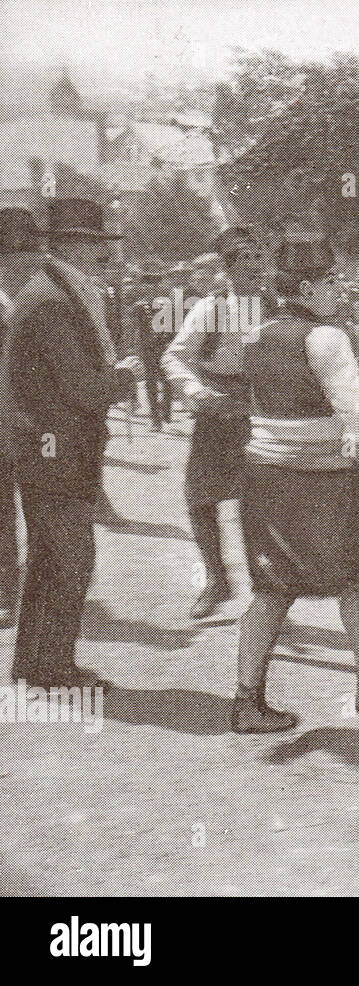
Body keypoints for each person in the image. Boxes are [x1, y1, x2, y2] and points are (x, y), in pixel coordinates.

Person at [231, 237, 359, 733]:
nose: (341, 291)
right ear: (308, 288)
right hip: (321, 483)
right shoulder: (328, 338)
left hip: (265, 478)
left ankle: (247, 701)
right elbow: (354, 410)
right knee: (355, 584)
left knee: (271, 590)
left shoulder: (254, 333)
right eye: (331, 282)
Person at [0, 198, 144, 689]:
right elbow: (84, 389)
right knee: (69, 563)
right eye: (93, 246)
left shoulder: (53, 291)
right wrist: (124, 377)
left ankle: (35, 666)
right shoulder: (54, 302)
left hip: (50, 446)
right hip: (54, 449)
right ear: (70, 247)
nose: (99, 256)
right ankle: (53, 667)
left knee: (48, 561)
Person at [162, 227, 270, 620]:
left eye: (260, 258)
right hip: (218, 413)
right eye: (246, 260)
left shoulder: (279, 305)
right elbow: (175, 357)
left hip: (265, 414)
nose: (256, 268)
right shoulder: (212, 309)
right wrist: (195, 391)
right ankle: (217, 580)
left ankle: (266, 592)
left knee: (258, 504)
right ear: (229, 268)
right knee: (201, 497)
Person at [0, 207, 47, 629]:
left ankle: (34, 590)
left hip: (35, 423)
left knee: (43, 508)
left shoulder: (42, 296)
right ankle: (7, 591)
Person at [130, 260, 176, 430]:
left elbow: (173, 327)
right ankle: (155, 418)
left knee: (167, 380)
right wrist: (137, 348)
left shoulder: (168, 305)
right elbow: (135, 328)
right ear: (143, 287)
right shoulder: (140, 307)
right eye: (148, 284)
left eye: (154, 284)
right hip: (148, 348)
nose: (151, 288)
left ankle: (166, 409)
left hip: (164, 347)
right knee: (150, 383)